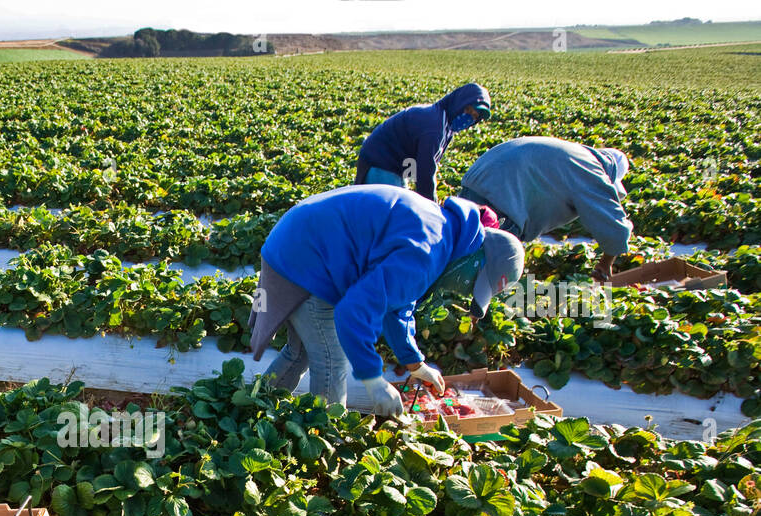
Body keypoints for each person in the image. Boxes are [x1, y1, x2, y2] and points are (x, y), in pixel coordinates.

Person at [248, 184, 524, 419]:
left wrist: (414, 363)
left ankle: (255, 407)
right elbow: (352, 312)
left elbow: (398, 305)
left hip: (296, 241)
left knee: (300, 352)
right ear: (476, 259)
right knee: (332, 362)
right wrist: (373, 380)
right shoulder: (427, 251)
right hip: (307, 258)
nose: (465, 292)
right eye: (473, 282)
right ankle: (323, 436)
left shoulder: (442, 234)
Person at [459, 136, 633, 280]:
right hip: (504, 198)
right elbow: (614, 225)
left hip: (478, 180)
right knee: (485, 268)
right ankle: (473, 310)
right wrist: (606, 263)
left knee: (460, 242)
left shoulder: (574, 153)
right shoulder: (591, 169)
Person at [354, 83, 491, 201]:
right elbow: (426, 169)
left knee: (398, 210)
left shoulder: (444, 124)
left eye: (474, 116)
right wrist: (430, 206)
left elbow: (417, 162)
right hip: (381, 164)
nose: (468, 118)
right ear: (459, 103)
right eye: (467, 110)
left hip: (393, 166)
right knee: (386, 215)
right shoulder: (435, 126)